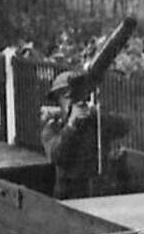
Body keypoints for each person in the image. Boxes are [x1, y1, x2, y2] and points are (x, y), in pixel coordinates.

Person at [39, 70, 129, 199]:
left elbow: (124, 126)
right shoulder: (54, 127)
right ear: (58, 100)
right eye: (66, 96)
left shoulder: (94, 121)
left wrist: (96, 114)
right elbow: (56, 155)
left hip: (100, 191)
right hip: (70, 194)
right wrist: (71, 126)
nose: (71, 101)